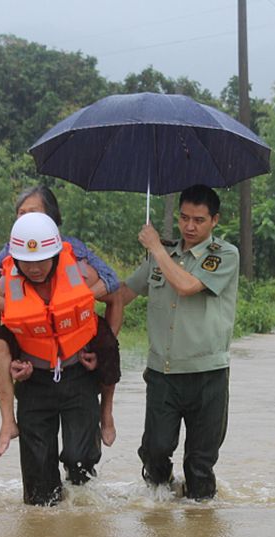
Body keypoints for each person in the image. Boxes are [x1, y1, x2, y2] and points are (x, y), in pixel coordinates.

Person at [115, 184, 238, 501]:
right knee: (154, 452)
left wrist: (156, 248)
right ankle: (160, 525)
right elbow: (121, 294)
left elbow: (187, 285)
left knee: (200, 465)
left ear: (215, 220)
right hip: (163, 374)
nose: (190, 226)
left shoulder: (223, 255)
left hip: (207, 374)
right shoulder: (163, 256)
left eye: (199, 219)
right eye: (184, 218)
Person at [0, 185, 123, 450]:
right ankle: (7, 422)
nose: (25, 220)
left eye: (32, 212)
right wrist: (15, 306)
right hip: (29, 330)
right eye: (20, 214)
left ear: (52, 220)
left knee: (109, 344)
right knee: (0, 343)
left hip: (73, 323)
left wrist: (80, 300)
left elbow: (112, 281)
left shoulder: (72, 248)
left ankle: (107, 413)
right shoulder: (11, 249)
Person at [0, 212, 108, 505]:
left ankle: (82, 531)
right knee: (39, 493)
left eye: (41, 260)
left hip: (78, 376)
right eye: (26, 261)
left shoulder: (82, 274)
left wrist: (101, 350)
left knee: (80, 463)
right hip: (34, 382)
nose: (34, 268)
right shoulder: (4, 286)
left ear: (55, 254)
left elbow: (115, 296)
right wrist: (8, 356)